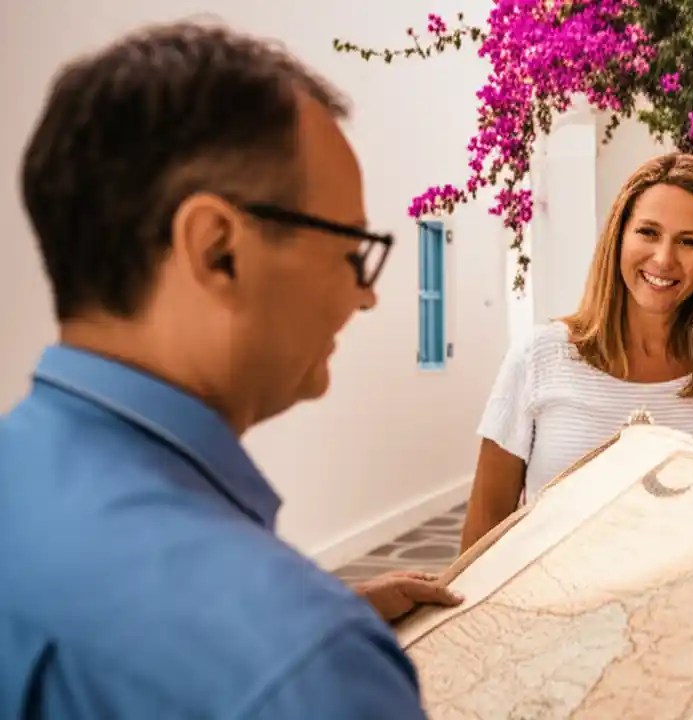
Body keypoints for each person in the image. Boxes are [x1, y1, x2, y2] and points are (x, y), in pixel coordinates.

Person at [0, 23, 455, 718]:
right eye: (352, 249)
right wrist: (318, 653)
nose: (366, 294)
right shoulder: (305, 662)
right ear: (218, 251)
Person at [461, 152, 693, 551]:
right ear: (619, 236)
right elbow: (484, 530)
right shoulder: (539, 358)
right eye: (648, 232)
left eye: (689, 242)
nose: (663, 258)